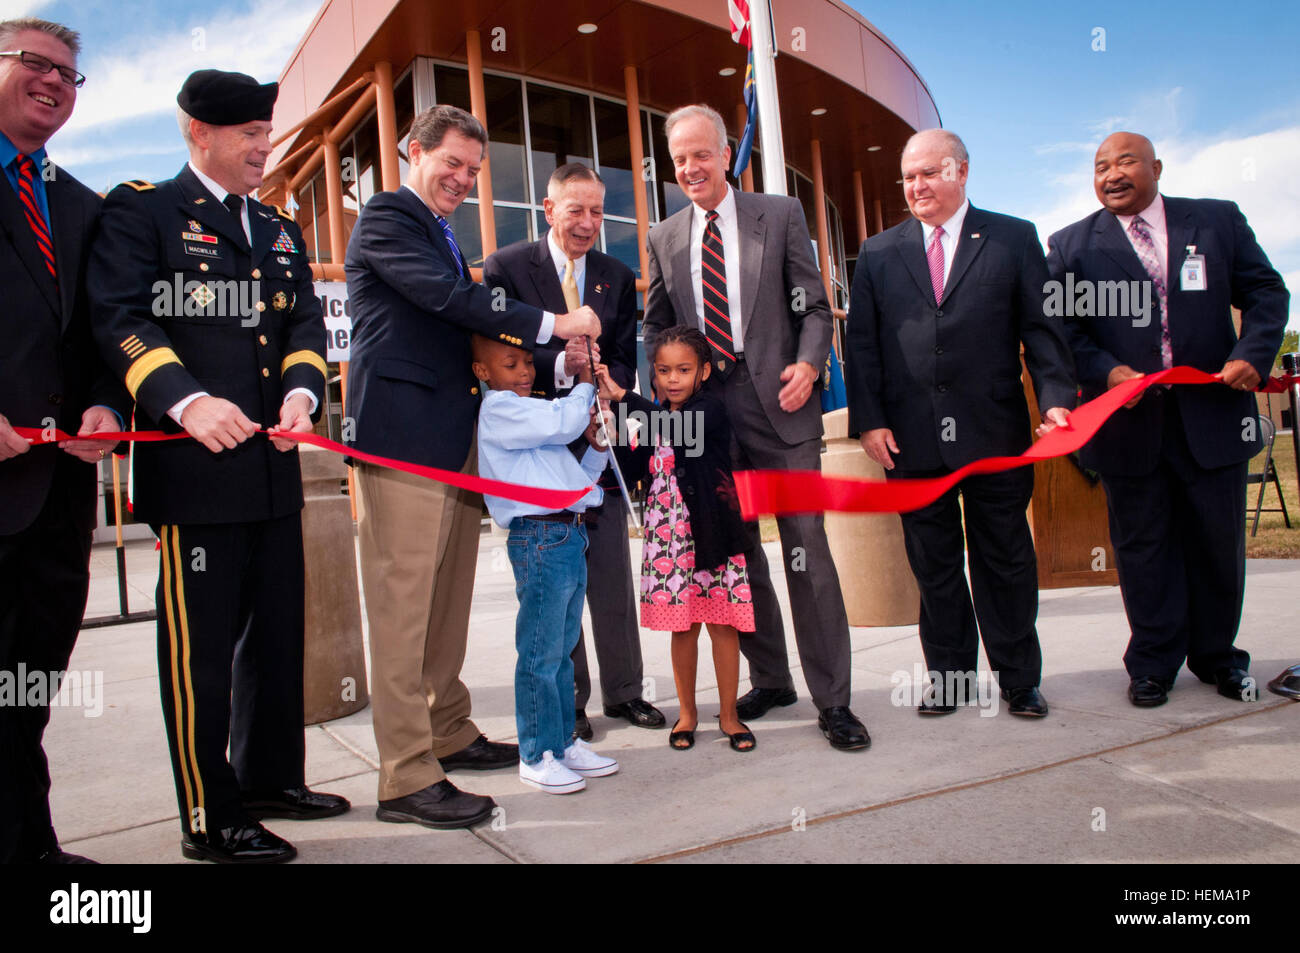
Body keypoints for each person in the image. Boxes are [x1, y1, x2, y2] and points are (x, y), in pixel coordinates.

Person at [88, 69, 347, 863]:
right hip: (196, 478)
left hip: (271, 467)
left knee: (276, 637)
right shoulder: (143, 210)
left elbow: (301, 318)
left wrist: (305, 393)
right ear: (197, 132)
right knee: (200, 655)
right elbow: (119, 315)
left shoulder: (275, 227)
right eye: (248, 136)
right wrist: (184, 399)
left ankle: (270, 779)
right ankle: (210, 812)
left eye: (267, 134)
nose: (263, 149)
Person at [344, 105, 602, 826]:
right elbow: (449, 301)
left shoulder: (443, 234)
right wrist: (555, 324)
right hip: (400, 440)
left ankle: (446, 729)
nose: (461, 178)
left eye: (473, 170)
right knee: (403, 608)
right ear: (414, 151)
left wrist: (554, 360)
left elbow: (472, 328)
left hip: (451, 441)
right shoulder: (389, 217)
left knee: (445, 601)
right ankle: (403, 774)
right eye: (450, 162)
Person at [642, 104, 868, 751]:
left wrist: (808, 359)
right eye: (679, 158)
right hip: (709, 422)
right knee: (739, 556)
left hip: (783, 407)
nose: (690, 167)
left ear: (727, 152)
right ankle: (771, 677)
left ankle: (836, 701)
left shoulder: (782, 214)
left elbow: (816, 304)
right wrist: (664, 385)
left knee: (807, 551)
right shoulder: (664, 237)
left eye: (700, 153)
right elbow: (657, 325)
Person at [1046, 131, 1288, 708]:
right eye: (1099, 165)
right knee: (1142, 547)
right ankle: (1152, 663)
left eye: (1125, 161)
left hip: (1213, 415)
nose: (1111, 174)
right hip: (1130, 427)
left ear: (1156, 166)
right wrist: (1107, 374)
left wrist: (1252, 356)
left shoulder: (1217, 222)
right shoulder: (1071, 246)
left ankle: (1217, 658)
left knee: (1215, 544)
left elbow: (1266, 292)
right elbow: (1064, 330)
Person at [846, 129, 1075, 718]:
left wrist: (1054, 398)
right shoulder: (876, 252)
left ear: (962, 172)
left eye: (929, 173)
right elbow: (863, 347)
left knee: (1005, 559)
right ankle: (950, 679)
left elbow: (1042, 332)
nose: (917, 186)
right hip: (911, 441)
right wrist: (870, 421)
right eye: (908, 177)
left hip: (994, 435)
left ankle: (1020, 679)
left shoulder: (1013, 238)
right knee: (935, 565)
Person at [0, 16, 130, 865]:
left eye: (68, 75)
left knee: (27, 685)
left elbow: (103, 332)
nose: (53, 82)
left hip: (55, 498)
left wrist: (107, 404)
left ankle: (29, 851)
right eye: (34, 64)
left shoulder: (83, 207)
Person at [483, 162, 664, 740]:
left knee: (610, 575)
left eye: (596, 212)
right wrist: (563, 364)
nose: (587, 223)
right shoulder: (506, 267)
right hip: (540, 452)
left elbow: (625, 355)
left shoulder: (615, 273)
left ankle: (627, 692)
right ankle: (573, 703)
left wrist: (611, 392)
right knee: (559, 586)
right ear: (548, 210)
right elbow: (501, 350)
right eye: (575, 210)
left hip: (598, 445)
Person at [472, 335, 620, 793]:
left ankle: (562, 741)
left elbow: (578, 480)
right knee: (540, 651)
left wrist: (596, 445)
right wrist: (582, 381)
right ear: (483, 372)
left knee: (561, 650)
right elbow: (564, 419)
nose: (524, 371)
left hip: (568, 532)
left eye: (527, 362)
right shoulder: (501, 411)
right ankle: (536, 754)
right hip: (539, 537)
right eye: (510, 363)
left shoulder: (533, 416)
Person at [597, 327, 757, 752]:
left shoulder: (711, 411)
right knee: (682, 629)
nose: (672, 379)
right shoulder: (648, 420)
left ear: (703, 371)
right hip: (668, 544)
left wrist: (623, 398)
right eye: (664, 370)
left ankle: (729, 714)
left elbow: (684, 432)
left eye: (683, 370)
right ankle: (688, 713)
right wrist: (607, 431)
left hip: (713, 535)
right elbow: (630, 467)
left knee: (723, 625)